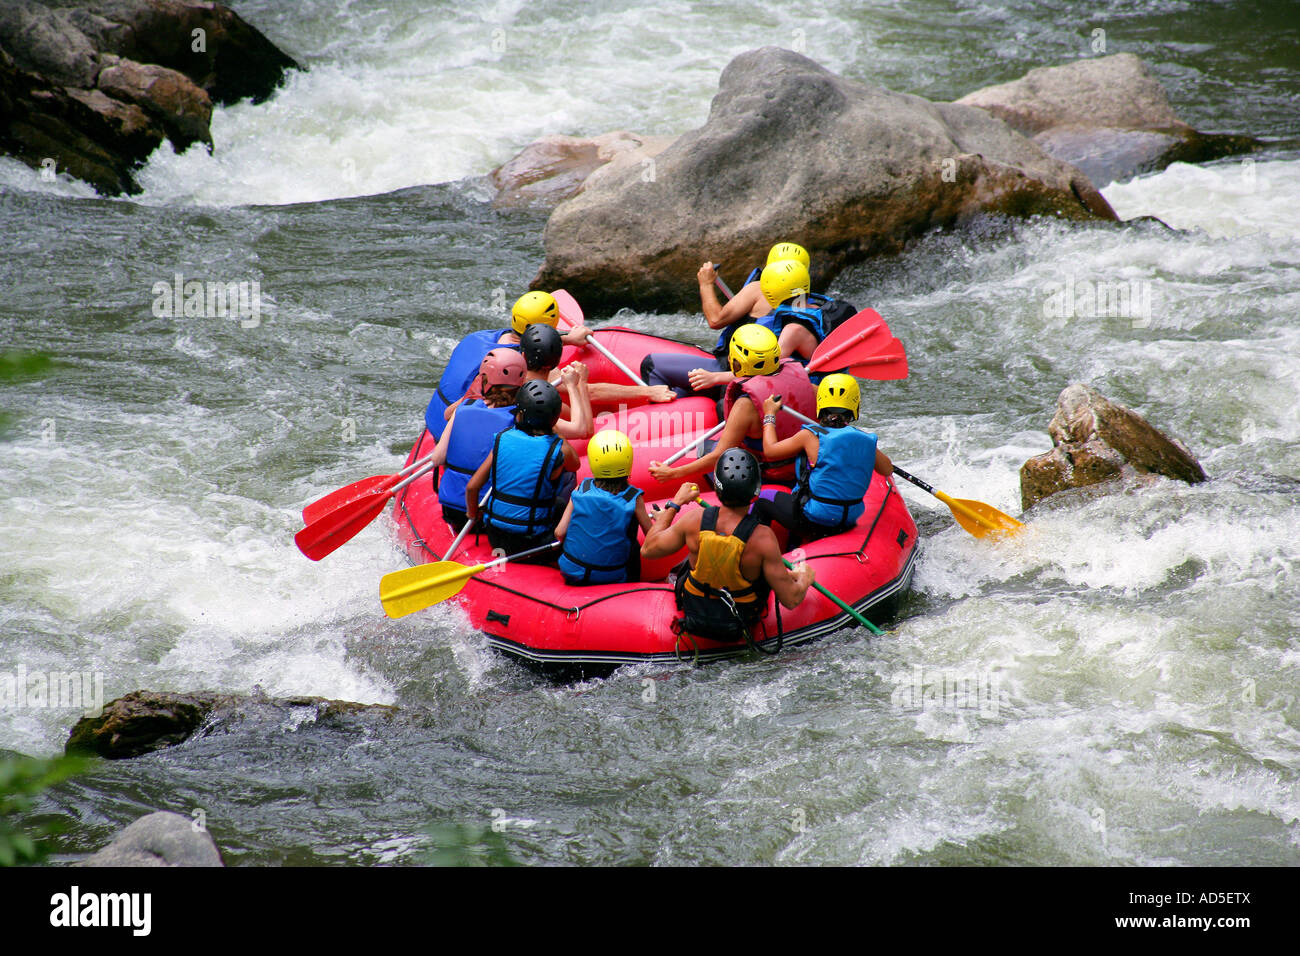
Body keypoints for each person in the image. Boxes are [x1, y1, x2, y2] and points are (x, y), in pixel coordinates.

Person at [641, 448, 814, 642]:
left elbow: (649, 549)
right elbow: (790, 599)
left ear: (716, 487)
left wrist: (675, 505)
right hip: (738, 620)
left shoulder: (694, 520)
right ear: (756, 491)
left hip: (695, 610)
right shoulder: (763, 538)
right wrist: (805, 576)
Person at [647, 324, 816, 487]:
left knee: (705, 449)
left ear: (737, 361)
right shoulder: (805, 381)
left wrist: (672, 473)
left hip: (770, 475)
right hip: (802, 465)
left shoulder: (745, 405)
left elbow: (717, 456)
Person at [640, 242, 807, 399]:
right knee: (684, 388)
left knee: (651, 365)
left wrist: (706, 284)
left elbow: (715, 320)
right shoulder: (810, 305)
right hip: (764, 377)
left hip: (733, 371)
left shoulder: (758, 290)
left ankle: (661, 416)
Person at [423, 291, 593, 440]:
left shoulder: (478, 336)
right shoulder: (513, 365)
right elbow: (584, 420)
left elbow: (524, 343)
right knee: (546, 403)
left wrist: (567, 338)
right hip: (454, 430)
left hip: (436, 418)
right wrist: (581, 384)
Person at [753, 373, 893, 547]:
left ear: (821, 404)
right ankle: (796, 548)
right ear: (855, 405)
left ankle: (757, 553)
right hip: (848, 520)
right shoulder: (866, 439)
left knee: (764, 499)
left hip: (814, 520)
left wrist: (769, 414)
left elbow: (770, 450)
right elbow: (887, 469)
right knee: (801, 500)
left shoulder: (810, 435)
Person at [465, 379, 580, 562]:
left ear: (519, 413)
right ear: (555, 418)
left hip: (496, 538)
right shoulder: (558, 448)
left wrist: (472, 514)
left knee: (558, 504)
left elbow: (472, 487)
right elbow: (575, 465)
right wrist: (556, 433)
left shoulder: (503, 438)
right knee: (564, 488)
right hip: (533, 543)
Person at [426, 348, 526, 532]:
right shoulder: (518, 419)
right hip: (490, 515)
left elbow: (437, 459)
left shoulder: (464, 406)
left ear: (484, 379)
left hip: (453, 511)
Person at [555, 430, 653, 585]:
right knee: (633, 545)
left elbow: (559, 533)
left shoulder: (581, 489)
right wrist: (661, 520)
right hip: (611, 576)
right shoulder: (633, 498)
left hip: (571, 571)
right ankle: (632, 585)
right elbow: (652, 537)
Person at [518, 323, 594, 440]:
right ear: (557, 362)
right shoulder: (544, 402)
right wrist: (579, 384)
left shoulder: (508, 379)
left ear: (523, 356)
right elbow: (585, 431)